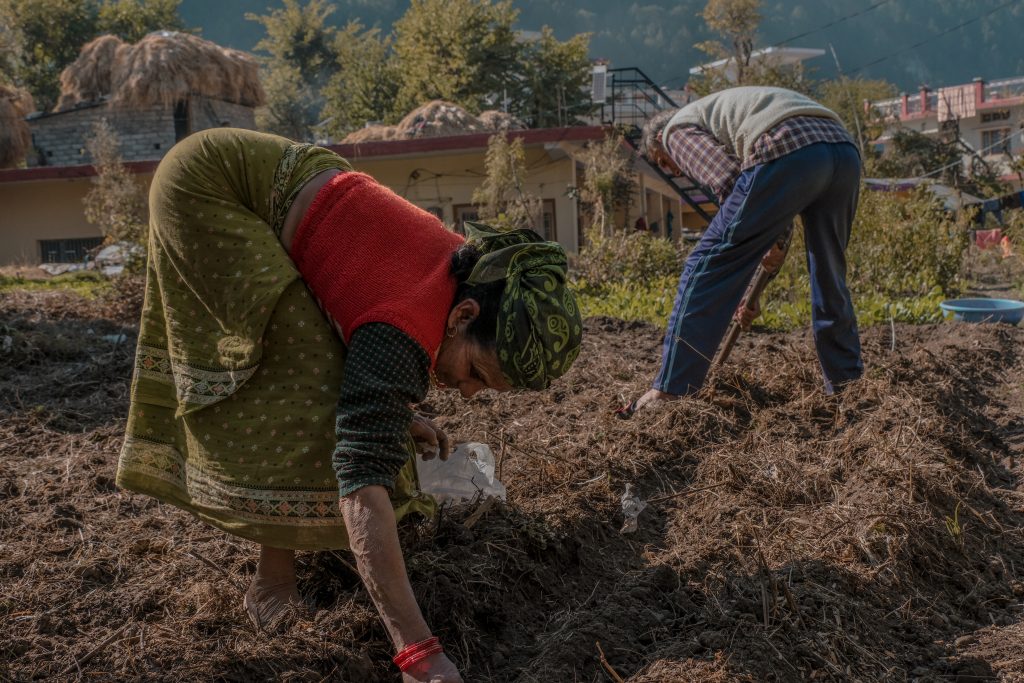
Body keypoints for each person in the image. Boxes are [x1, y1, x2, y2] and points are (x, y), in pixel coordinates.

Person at [116, 128, 583, 682]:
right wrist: (419, 654)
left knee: (325, 371)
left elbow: (360, 317)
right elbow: (361, 482)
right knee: (301, 383)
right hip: (207, 185)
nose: (466, 392)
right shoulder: (404, 331)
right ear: (464, 316)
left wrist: (393, 412)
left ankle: (291, 551)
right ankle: (272, 580)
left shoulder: (456, 271)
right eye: (476, 374)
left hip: (282, 175)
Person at [630, 86, 863, 414]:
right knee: (829, 277)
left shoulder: (676, 131)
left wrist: (745, 262)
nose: (674, 170)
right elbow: (763, 217)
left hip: (788, 144)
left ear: (659, 146)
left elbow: (728, 180)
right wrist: (751, 281)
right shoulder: (722, 116)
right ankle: (848, 386)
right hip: (842, 150)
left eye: (665, 164)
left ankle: (671, 391)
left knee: (705, 263)